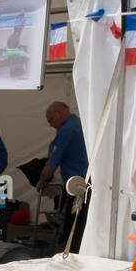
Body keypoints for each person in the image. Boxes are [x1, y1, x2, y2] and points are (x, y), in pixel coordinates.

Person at [37, 101, 90, 249]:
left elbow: (52, 162)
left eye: (50, 120)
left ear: (58, 114)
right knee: (82, 221)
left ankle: (70, 252)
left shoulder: (67, 130)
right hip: (88, 181)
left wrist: (42, 181)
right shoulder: (81, 123)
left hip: (77, 185)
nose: (50, 125)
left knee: (73, 224)